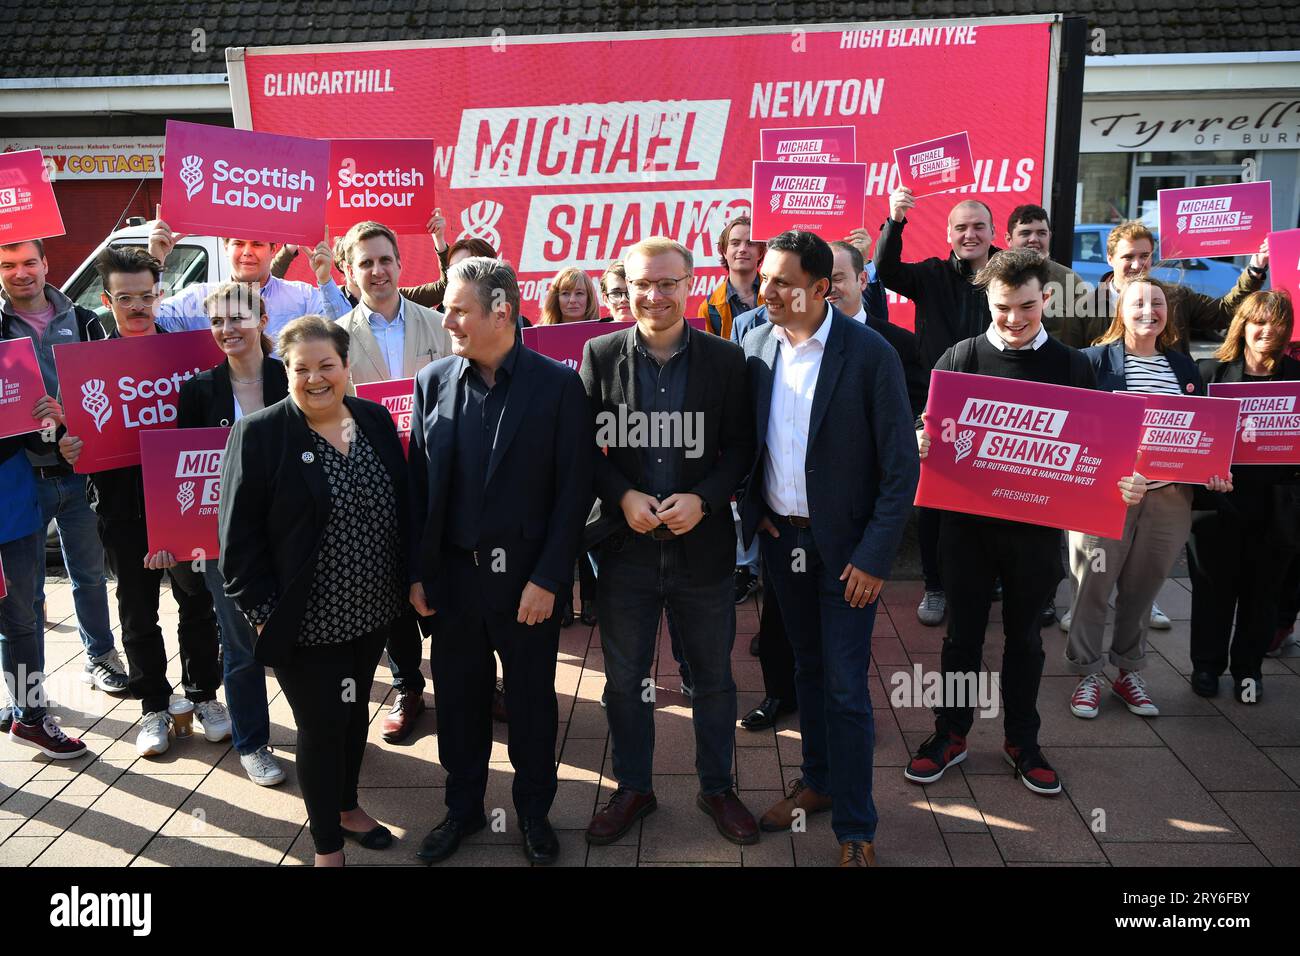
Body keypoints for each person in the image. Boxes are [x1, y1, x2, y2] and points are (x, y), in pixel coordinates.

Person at [904, 249, 1148, 796]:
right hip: (965, 528)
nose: (1014, 319)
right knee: (961, 638)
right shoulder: (960, 358)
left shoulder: (1072, 366)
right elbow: (927, 434)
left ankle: (1023, 740)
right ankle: (951, 733)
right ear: (987, 302)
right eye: (1002, 308)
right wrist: (921, 442)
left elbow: (1102, 453)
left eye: (1027, 307)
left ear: (1046, 300)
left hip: (1036, 531)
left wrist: (1124, 482)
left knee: (1025, 641)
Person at [739, 231, 919, 866]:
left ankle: (856, 829)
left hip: (847, 554)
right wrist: (754, 509)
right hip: (780, 542)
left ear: (823, 289)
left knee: (844, 685)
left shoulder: (869, 355)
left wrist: (874, 558)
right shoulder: (754, 341)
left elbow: (901, 470)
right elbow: (748, 438)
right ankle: (816, 782)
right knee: (807, 671)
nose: (768, 291)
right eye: (765, 277)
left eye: (784, 281)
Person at [408, 258, 593, 865]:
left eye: (458, 308)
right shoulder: (433, 381)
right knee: (457, 705)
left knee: (533, 706)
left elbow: (574, 494)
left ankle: (535, 815)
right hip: (455, 584)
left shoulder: (559, 387)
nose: (447, 318)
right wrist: (418, 572)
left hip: (526, 584)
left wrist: (548, 578)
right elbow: (420, 486)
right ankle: (460, 811)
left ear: (502, 312)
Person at [581, 237, 759, 847]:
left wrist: (705, 498)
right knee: (624, 681)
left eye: (666, 283)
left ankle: (717, 786)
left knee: (712, 678)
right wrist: (622, 496)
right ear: (624, 288)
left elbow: (740, 447)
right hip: (627, 553)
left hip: (702, 550)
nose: (654, 296)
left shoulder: (725, 359)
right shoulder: (600, 353)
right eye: (641, 285)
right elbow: (584, 449)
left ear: (689, 285)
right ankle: (634, 787)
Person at [219, 315, 409, 866]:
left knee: (353, 718)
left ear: (347, 367)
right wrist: (260, 613)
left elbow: (404, 507)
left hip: (372, 610)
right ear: (287, 372)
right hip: (305, 621)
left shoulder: (372, 420)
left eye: (328, 365)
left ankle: (347, 808)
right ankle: (327, 847)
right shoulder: (260, 434)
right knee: (321, 727)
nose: (316, 378)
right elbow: (238, 539)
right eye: (302, 368)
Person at [57, 247, 228, 758]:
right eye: (125, 298)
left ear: (161, 296)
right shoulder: (90, 366)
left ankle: (204, 696)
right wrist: (69, 446)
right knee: (136, 608)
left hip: (183, 501)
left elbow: (211, 427)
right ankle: (154, 704)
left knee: (197, 604)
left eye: (147, 297)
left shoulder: (188, 359)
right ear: (107, 300)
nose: (138, 307)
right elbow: (76, 441)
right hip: (120, 506)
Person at [1067, 275, 1232, 720]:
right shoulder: (1091, 361)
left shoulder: (1183, 367)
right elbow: (1074, 426)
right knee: (1093, 587)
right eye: (1137, 301)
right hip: (1106, 494)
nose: (1148, 310)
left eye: (1157, 302)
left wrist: (1213, 469)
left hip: (1169, 500)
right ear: (1120, 308)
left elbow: (1202, 434)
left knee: (1143, 590)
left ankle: (1128, 671)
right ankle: (1086, 673)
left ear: (1167, 313)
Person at [332, 221, 452, 744]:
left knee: (452, 579)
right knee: (391, 588)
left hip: (441, 476)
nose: (377, 271)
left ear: (401, 264)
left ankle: (475, 679)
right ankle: (408, 685)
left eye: (385, 260)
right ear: (349, 272)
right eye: (365, 263)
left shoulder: (441, 323)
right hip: (373, 481)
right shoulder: (334, 336)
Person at [0, 239, 125, 698]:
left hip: (80, 473)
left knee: (90, 577)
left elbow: (112, 389)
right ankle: (26, 696)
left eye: (29, 262)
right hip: (20, 477)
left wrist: (68, 412)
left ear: (46, 264)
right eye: (8, 265)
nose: (21, 273)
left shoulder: (85, 320)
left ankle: (100, 659)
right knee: (24, 597)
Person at [176, 281, 287, 785]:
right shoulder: (198, 390)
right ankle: (253, 744)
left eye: (238, 317)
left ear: (262, 320)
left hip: (292, 536)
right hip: (227, 544)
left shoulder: (292, 375)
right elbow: (182, 472)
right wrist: (174, 539)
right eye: (217, 321)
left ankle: (324, 731)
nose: (227, 329)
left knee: (300, 641)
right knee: (241, 646)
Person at [873, 189, 1001, 627]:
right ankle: (934, 585)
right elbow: (886, 270)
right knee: (934, 501)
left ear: (992, 231)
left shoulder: (1011, 273)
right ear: (948, 234)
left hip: (997, 406)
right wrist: (896, 219)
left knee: (991, 500)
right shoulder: (930, 274)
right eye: (961, 227)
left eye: (978, 226)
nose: (970, 234)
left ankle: (987, 579)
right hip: (939, 405)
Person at [1189, 290, 1300, 702]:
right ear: (1243, 325)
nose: (1266, 331)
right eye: (1258, 322)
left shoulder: (1297, 378)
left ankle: (1248, 671)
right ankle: (1206, 667)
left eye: (1275, 323)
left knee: (1263, 593)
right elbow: (1191, 440)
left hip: (1277, 505)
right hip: (1218, 503)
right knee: (1211, 591)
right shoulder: (1209, 374)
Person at [2, 426, 89, 758]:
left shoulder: (12, 372)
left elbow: (40, 440)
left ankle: (30, 718)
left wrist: (48, 423)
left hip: (12, 509)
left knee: (19, 619)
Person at [147, 208, 348, 337]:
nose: (247, 252)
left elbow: (346, 330)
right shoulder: (197, 298)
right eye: (239, 243)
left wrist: (324, 279)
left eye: (257, 244)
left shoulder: (301, 297)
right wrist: (155, 261)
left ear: (273, 249)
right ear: (226, 247)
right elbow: (148, 322)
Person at [1003, 204, 1093, 347]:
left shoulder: (1070, 281)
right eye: (1025, 233)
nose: (1034, 239)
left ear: (1049, 236)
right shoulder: (996, 279)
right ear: (1009, 239)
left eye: (1041, 233)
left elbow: (1086, 337)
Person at [698, 215, 764, 340]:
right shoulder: (708, 308)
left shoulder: (778, 296)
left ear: (760, 252)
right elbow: (703, 355)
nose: (742, 249)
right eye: (735, 243)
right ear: (724, 251)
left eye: (750, 243)